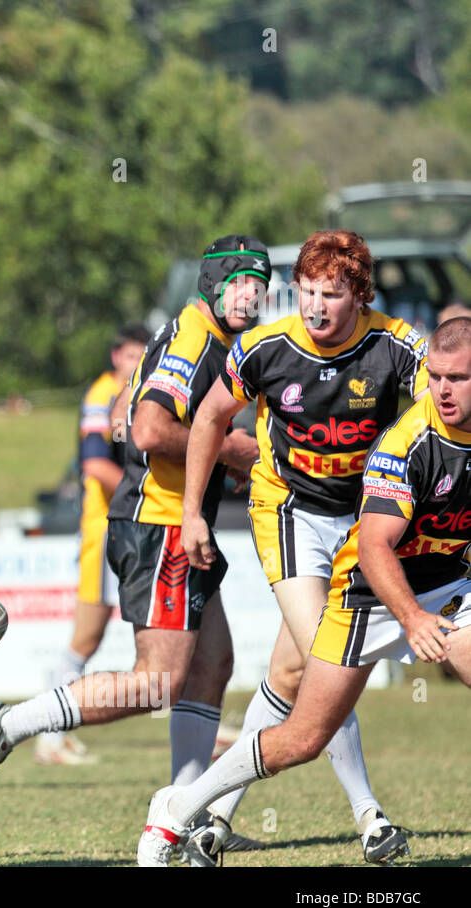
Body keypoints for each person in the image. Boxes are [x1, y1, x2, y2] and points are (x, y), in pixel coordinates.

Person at [139, 317, 471, 866]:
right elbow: (373, 550)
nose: (441, 390)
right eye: (435, 376)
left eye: (457, 378)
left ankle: (366, 817)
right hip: (370, 595)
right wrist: (411, 618)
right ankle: (179, 809)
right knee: (302, 738)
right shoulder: (406, 443)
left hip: (451, 588)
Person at [0, 235, 268, 805]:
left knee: (212, 666)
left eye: (260, 286)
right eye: (239, 284)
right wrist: (228, 448)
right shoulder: (197, 341)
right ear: (212, 284)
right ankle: (9, 723)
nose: (250, 297)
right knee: (158, 682)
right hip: (161, 525)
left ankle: (183, 813)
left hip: (179, 521)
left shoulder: (204, 336)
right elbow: (148, 430)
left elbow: (131, 409)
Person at [175, 229, 426, 865]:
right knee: (327, 659)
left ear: (359, 294)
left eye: (331, 294)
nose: (314, 306)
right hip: (288, 512)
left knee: (292, 675)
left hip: (362, 523)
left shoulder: (397, 346)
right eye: (306, 291)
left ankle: (205, 815)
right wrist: (191, 515)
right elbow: (207, 419)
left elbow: (448, 404)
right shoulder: (267, 347)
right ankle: (369, 816)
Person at [32, 326, 147, 765]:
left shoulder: (131, 392)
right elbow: (96, 465)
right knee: (86, 637)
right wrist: (148, 498)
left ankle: (53, 732)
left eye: (145, 355)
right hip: (106, 529)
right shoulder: (103, 395)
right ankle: (47, 735)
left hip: (124, 526)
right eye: (132, 355)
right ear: (116, 355)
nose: (137, 363)